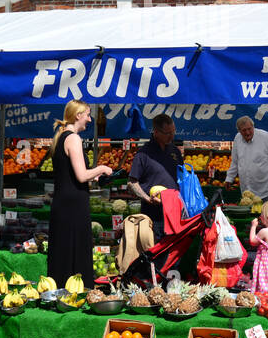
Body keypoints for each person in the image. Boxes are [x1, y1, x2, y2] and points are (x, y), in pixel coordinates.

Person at [47, 100, 112, 284]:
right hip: (73, 205)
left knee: (63, 249)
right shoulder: (73, 138)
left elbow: (71, 174)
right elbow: (82, 175)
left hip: (63, 202)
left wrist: (94, 176)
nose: (90, 120)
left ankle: (59, 287)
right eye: (87, 115)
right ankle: (78, 289)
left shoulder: (60, 137)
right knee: (76, 248)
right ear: (78, 116)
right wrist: (101, 169)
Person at [127, 114, 182, 238]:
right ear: (156, 132)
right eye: (167, 133)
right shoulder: (143, 154)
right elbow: (132, 183)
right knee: (155, 250)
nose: (172, 136)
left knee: (173, 251)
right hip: (152, 215)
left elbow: (181, 177)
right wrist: (147, 199)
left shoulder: (175, 151)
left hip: (173, 211)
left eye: (173, 132)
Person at [226, 116, 268, 202]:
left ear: (253, 127)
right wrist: (229, 178)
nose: (247, 132)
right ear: (239, 131)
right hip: (247, 192)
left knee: (267, 214)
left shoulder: (265, 137)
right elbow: (235, 162)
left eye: (249, 129)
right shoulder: (237, 139)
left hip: (266, 191)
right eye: (244, 130)